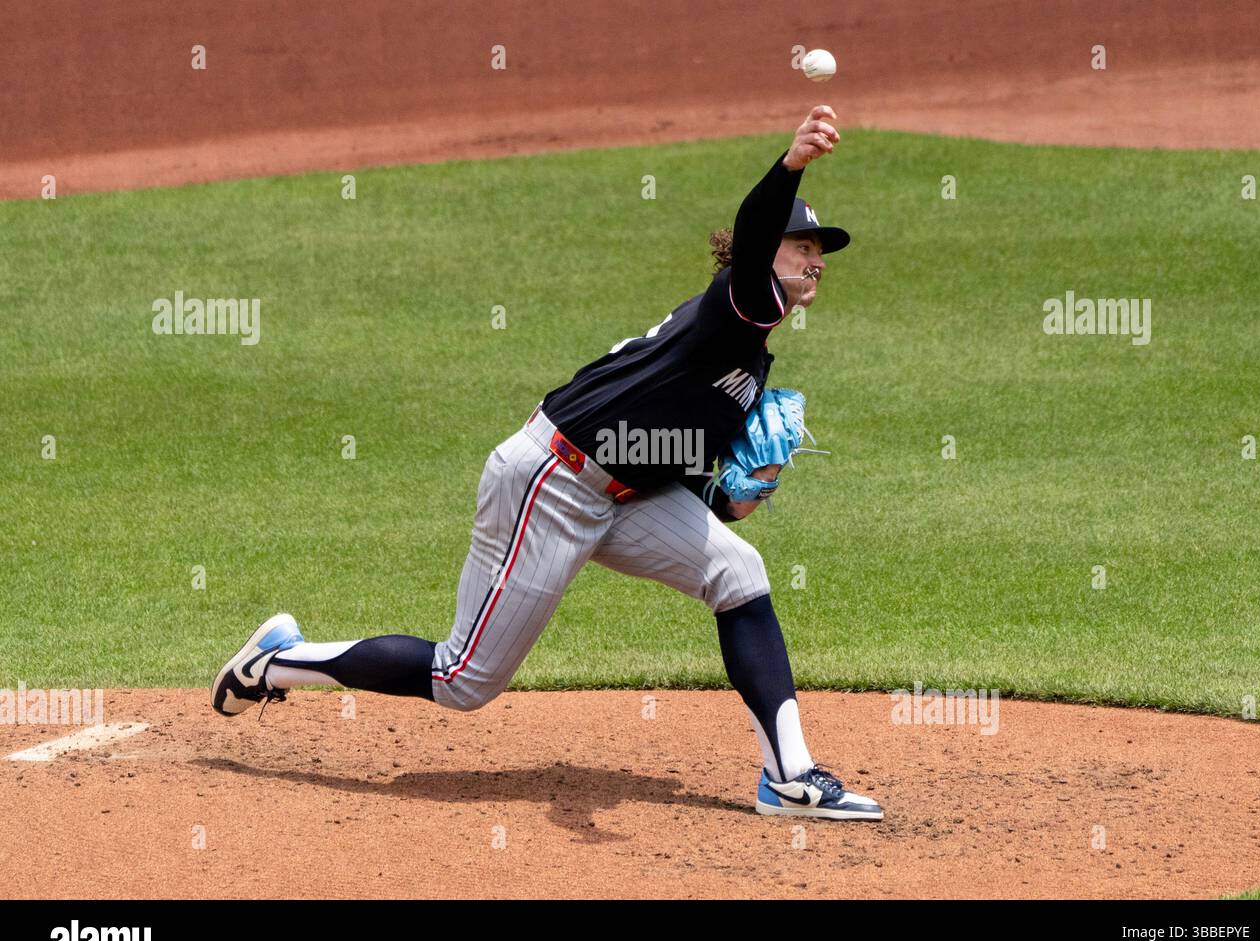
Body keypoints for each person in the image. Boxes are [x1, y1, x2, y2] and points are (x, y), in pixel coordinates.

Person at [211, 104, 883, 820]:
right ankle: (275, 661)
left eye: (820, 250)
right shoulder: (738, 304)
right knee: (463, 678)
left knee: (738, 571)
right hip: (551, 482)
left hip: (619, 494)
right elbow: (752, 237)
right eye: (803, 244)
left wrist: (737, 500)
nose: (816, 259)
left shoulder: (744, 363)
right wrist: (791, 165)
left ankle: (790, 776)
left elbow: (675, 472)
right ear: (767, 254)